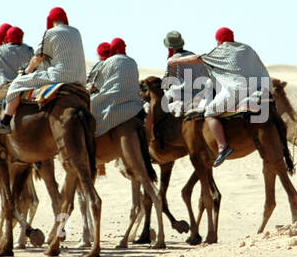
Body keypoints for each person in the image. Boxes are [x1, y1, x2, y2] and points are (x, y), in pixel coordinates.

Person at [168, 27, 271, 166]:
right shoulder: (246, 48)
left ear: (219, 40)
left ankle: (223, 147)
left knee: (210, 112)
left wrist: (176, 62)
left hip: (237, 90)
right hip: (260, 88)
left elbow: (196, 58)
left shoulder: (221, 50)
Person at [0, 7, 87, 134]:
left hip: (60, 75)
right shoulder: (76, 32)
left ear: (50, 20)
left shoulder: (50, 33)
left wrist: (26, 72)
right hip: (80, 78)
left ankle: (5, 122)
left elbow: (38, 57)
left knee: (17, 84)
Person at [89, 37, 144, 135]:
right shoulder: (133, 61)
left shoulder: (110, 61)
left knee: (89, 108)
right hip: (134, 104)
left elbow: (98, 85)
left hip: (114, 101)